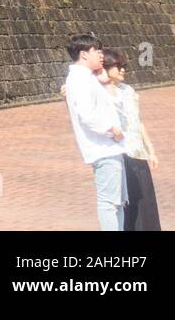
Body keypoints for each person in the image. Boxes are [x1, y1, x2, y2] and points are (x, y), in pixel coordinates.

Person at [63, 33, 128, 230]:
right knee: (109, 203)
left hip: (110, 148)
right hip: (103, 148)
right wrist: (112, 131)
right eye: (96, 51)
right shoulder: (79, 79)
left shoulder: (89, 78)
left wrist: (105, 82)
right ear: (84, 55)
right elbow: (87, 115)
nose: (101, 55)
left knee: (118, 202)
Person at [100, 48, 162, 230]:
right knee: (128, 206)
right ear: (105, 68)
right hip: (119, 155)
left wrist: (151, 150)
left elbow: (138, 121)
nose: (122, 70)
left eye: (123, 66)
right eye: (117, 66)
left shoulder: (128, 90)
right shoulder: (100, 94)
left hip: (138, 153)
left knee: (146, 202)